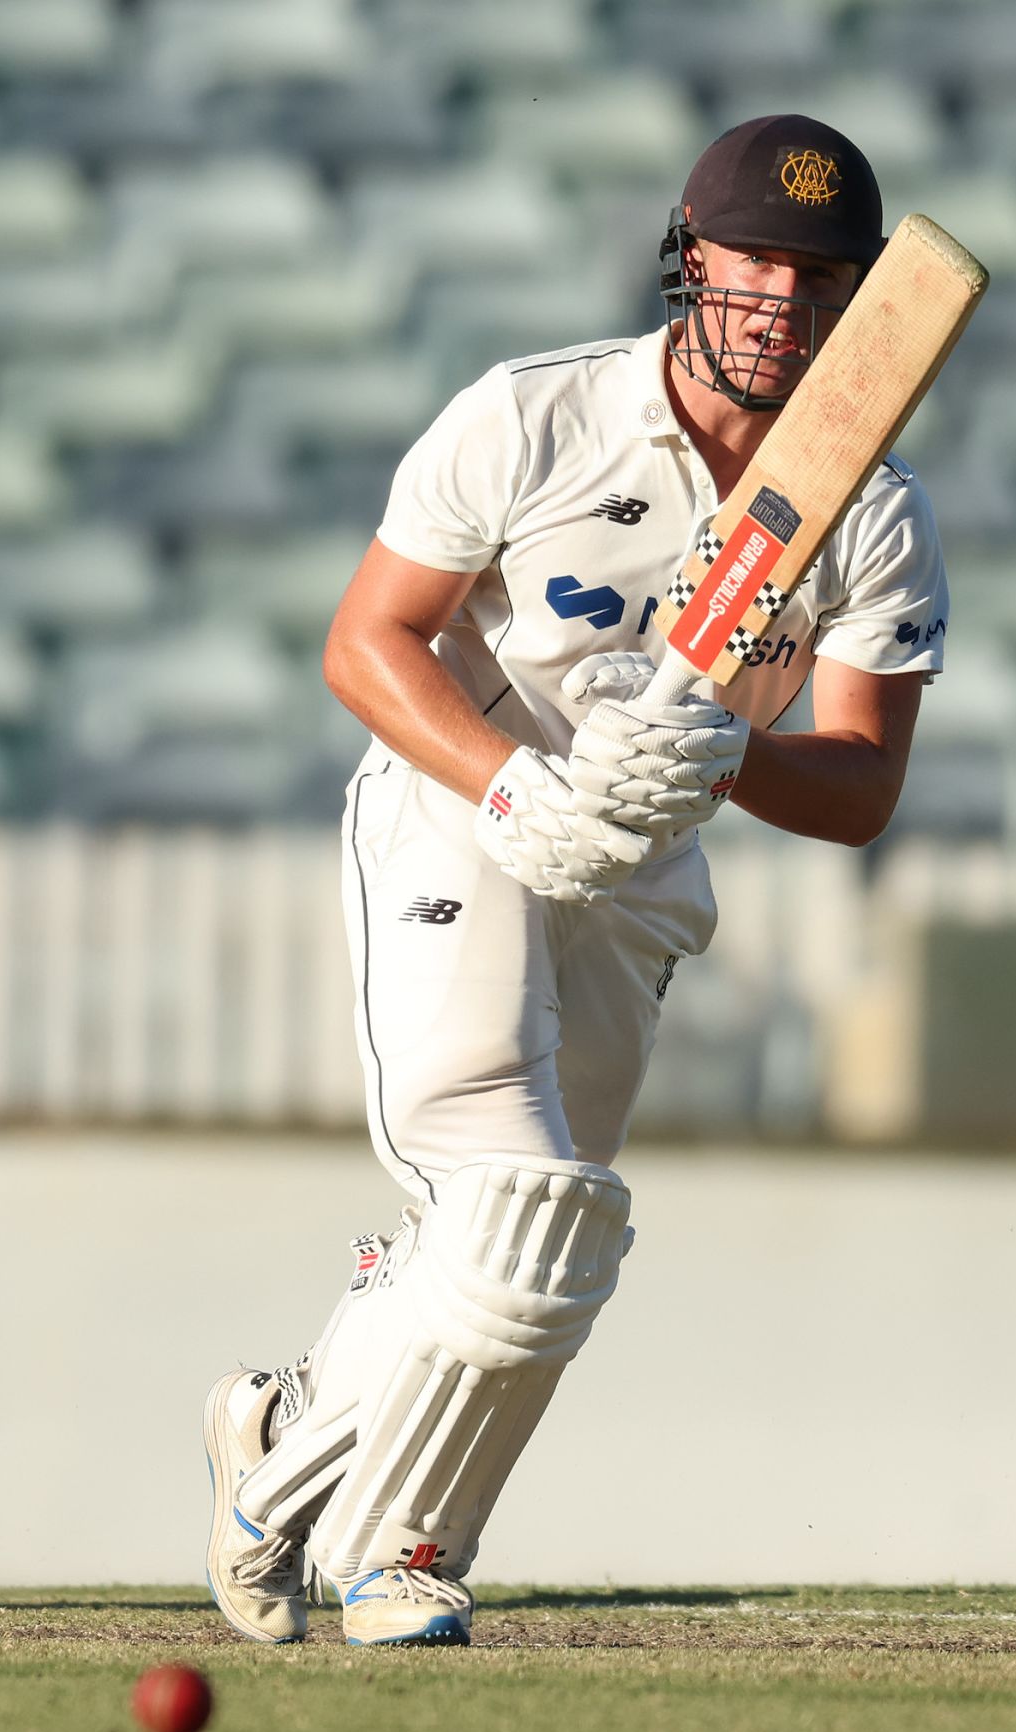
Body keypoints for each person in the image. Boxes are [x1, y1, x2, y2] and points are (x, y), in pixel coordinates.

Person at [202, 114, 949, 1648]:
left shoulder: (870, 513)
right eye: (755, 264)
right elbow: (366, 642)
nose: (785, 304)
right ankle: (400, 1562)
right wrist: (514, 780)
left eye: (822, 278)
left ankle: (293, 1447)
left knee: (553, 1239)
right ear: (692, 263)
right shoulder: (535, 418)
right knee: (512, 1199)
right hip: (454, 817)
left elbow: (864, 783)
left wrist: (724, 769)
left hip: (642, 871)